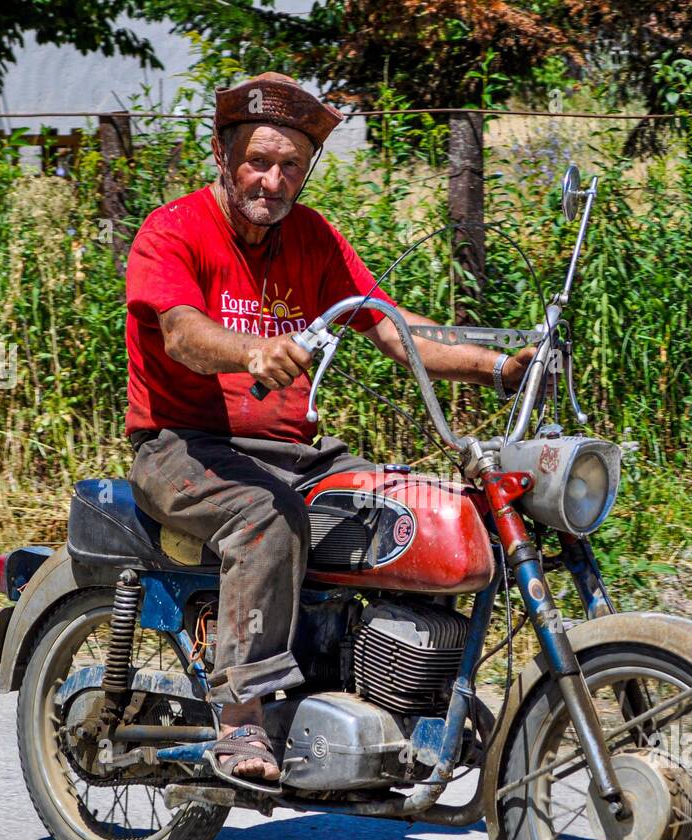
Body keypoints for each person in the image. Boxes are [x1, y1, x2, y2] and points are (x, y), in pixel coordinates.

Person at [125, 71, 535, 784]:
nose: (272, 180)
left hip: (292, 452)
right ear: (223, 157)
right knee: (264, 518)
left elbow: (392, 326)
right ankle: (244, 718)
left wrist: (497, 368)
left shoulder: (313, 239)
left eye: (290, 167)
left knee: (407, 511)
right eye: (258, 160)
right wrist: (250, 349)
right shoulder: (173, 230)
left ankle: (405, 691)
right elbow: (183, 333)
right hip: (181, 448)